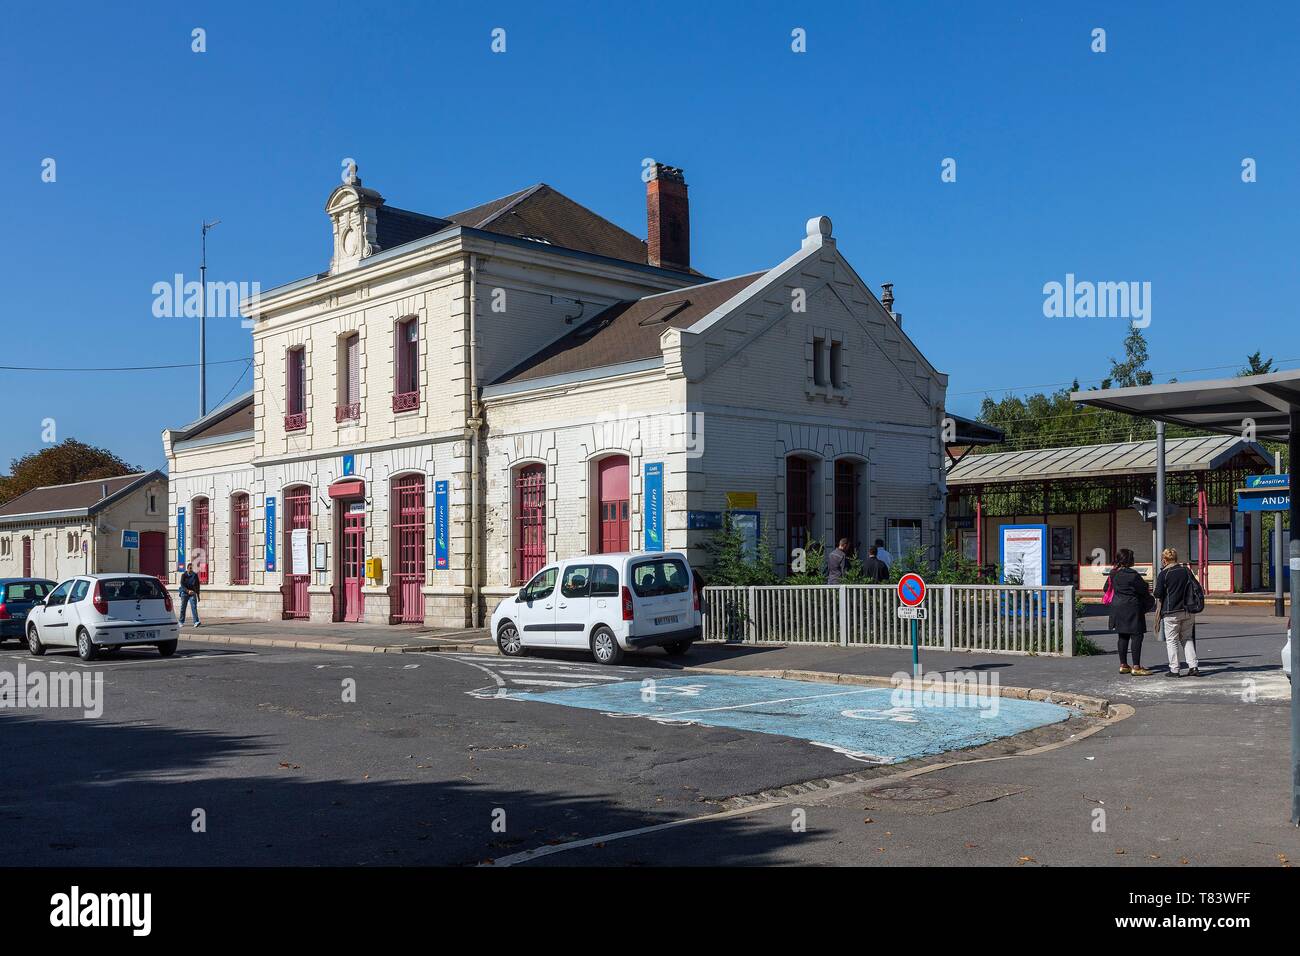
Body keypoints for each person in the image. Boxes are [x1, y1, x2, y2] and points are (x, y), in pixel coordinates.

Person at [1153, 547, 1199, 677]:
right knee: (1187, 638)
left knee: (1172, 640)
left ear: (1164, 560)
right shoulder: (1186, 570)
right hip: (1188, 610)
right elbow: (1195, 586)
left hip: (1171, 611)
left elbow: (1158, 593)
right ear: (1176, 558)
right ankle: (1193, 666)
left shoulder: (1164, 574)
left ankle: (1174, 669)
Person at [1107, 548, 1153, 676]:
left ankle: (1123, 665)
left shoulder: (1113, 573)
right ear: (1129, 560)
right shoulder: (1133, 575)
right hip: (1132, 607)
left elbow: (1106, 588)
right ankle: (1136, 667)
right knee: (1137, 635)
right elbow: (1144, 589)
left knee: (1122, 635)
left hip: (1117, 607)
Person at [179, 562, 202, 628]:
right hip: (185, 592)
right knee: (183, 607)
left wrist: (198, 595)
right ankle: (181, 622)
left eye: (192, 568)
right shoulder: (183, 575)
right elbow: (182, 585)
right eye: (190, 568)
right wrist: (187, 591)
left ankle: (196, 622)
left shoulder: (195, 575)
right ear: (187, 568)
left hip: (192, 593)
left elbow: (197, 585)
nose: (191, 570)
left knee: (194, 607)